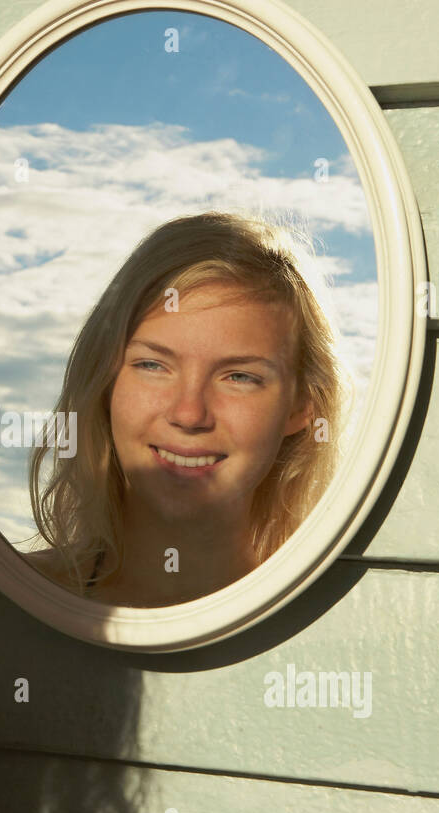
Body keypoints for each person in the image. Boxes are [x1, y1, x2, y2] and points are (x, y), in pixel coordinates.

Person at [21, 212, 354, 607]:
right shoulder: (4, 595)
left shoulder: (335, 620)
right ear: (105, 381)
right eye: (152, 365)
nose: (189, 414)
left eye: (239, 377)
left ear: (302, 406)